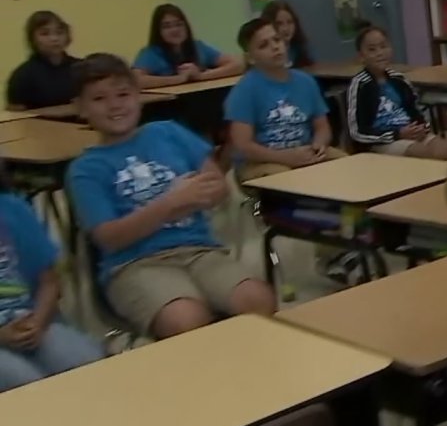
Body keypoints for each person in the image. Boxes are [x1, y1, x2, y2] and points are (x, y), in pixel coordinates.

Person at [67, 53, 277, 339]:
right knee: (187, 319)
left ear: (138, 96)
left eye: (123, 94)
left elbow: (218, 187)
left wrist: (204, 192)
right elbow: (109, 237)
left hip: (199, 250)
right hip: (135, 264)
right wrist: (171, 203)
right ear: (81, 108)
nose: (115, 105)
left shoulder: (168, 132)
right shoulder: (85, 169)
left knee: (258, 299)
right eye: (99, 99)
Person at [0, 188, 103, 391]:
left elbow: (50, 281)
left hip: (32, 321)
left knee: (89, 364)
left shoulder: (12, 209)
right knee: (23, 381)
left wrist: (38, 322)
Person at [225, 18, 346, 182]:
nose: (275, 47)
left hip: (303, 152)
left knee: (346, 163)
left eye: (277, 40)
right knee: (287, 178)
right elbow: (243, 146)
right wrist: (286, 157)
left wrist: (318, 145)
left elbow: (322, 127)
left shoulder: (306, 81)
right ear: (251, 58)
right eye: (264, 45)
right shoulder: (244, 90)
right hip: (261, 162)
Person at [347, 24, 447, 160]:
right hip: (382, 141)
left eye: (383, 46)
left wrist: (422, 129)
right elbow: (357, 133)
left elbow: (416, 111)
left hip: (410, 133)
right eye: (372, 49)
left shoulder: (399, 79)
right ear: (361, 56)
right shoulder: (360, 84)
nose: (379, 53)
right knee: (423, 152)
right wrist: (397, 134)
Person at [132, 4, 243, 89]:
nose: (175, 30)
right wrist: (178, 79)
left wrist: (200, 76)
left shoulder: (198, 47)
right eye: (167, 26)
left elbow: (239, 64)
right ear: (158, 31)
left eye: (179, 24)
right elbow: (135, 80)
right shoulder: (151, 53)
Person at [5, 11, 79, 110]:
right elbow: (15, 115)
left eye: (59, 32)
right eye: (45, 34)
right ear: (32, 39)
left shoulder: (81, 67)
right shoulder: (23, 75)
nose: (54, 38)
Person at [262, 0, 314, 69]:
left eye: (290, 22)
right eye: (279, 23)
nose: (286, 29)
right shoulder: (263, 55)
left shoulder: (301, 49)